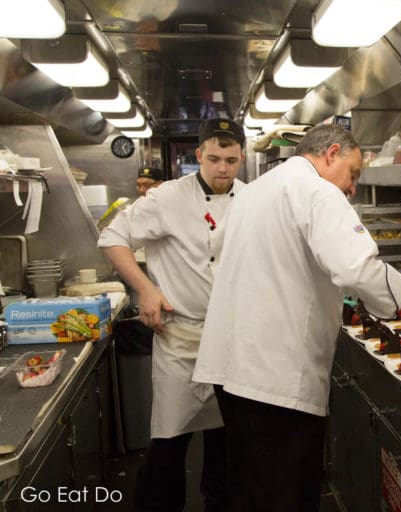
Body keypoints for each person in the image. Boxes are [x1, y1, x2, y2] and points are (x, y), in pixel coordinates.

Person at [193, 124, 401, 511]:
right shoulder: (317, 191)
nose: (351, 188)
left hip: (236, 372)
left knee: (251, 490)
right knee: (285, 496)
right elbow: (357, 270)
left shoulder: (260, 189)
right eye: (353, 174)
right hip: (275, 381)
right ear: (332, 153)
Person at [98, 118, 247, 512]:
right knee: (167, 447)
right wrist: (145, 288)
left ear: (242, 159)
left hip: (234, 344)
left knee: (227, 451)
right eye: (213, 158)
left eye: (230, 160)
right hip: (181, 340)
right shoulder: (166, 199)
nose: (222, 169)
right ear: (198, 155)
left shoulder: (252, 200)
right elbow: (113, 237)